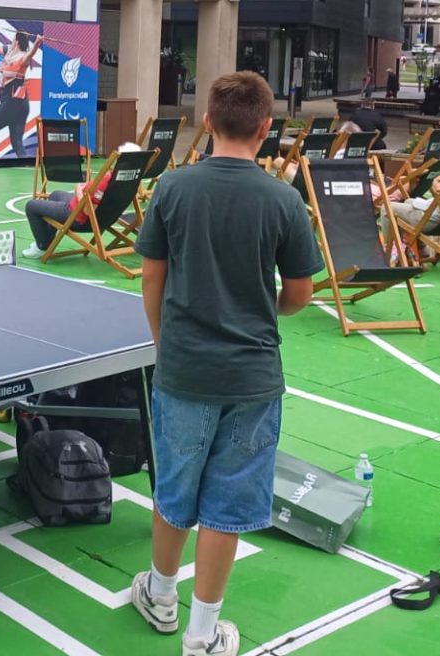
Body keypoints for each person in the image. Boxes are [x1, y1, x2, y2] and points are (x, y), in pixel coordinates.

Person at [131, 72, 322, 656]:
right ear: (266, 129)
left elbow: (151, 278)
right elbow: (300, 293)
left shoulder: (172, 189)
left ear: (206, 122)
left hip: (184, 372)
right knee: (227, 505)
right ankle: (202, 633)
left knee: (174, 490)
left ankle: (160, 597)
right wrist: (266, 308)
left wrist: (168, 345)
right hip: (253, 378)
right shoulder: (284, 200)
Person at [20, 141, 137, 257]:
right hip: (105, 219)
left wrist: (79, 190)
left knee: (31, 206)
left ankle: (42, 247)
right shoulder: (132, 181)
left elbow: (88, 210)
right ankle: (48, 242)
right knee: (55, 195)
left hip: (79, 218)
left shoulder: (107, 181)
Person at [0, 32, 43, 160]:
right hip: (21, 104)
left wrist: (37, 43)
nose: (11, 40)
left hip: (13, 103)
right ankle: (29, 165)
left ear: (16, 41)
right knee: (16, 143)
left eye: (13, 38)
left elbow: (30, 54)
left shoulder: (22, 57)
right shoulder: (9, 52)